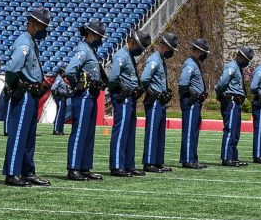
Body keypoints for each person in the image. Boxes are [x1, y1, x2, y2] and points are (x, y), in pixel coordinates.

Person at [2, 7, 52, 186]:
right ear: (34, 24)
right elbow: (12, 68)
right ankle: (13, 173)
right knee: (19, 134)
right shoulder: (24, 43)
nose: (45, 30)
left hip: (32, 94)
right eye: (43, 26)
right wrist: (14, 85)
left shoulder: (31, 42)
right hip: (24, 94)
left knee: (29, 136)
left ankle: (27, 171)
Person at [61, 19, 105, 181]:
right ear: (91, 35)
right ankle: (73, 168)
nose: (100, 39)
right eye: (99, 36)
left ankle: (85, 167)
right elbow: (70, 71)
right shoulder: (83, 50)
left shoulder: (91, 50)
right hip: (84, 94)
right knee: (80, 132)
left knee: (89, 132)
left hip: (92, 95)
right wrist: (78, 83)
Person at [105, 32, 144, 176]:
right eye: (139, 46)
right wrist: (121, 89)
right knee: (121, 130)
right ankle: (117, 165)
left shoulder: (129, 56)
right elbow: (114, 77)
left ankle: (128, 164)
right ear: (132, 42)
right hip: (123, 96)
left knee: (130, 132)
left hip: (130, 97)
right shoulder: (121, 55)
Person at [140, 31, 177, 172]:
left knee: (160, 132)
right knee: (153, 131)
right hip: (154, 100)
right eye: (170, 49)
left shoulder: (161, 60)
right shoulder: (154, 60)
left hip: (160, 100)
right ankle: (149, 162)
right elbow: (144, 79)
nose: (171, 52)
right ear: (164, 46)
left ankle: (157, 161)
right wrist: (154, 92)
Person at [178, 37, 209, 167]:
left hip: (196, 102)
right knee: (190, 130)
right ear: (199, 51)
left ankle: (192, 158)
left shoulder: (195, 63)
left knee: (194, 130)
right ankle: (188, 159)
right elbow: (183, 83)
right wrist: (192, 94)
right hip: (191, 101)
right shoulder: (190, 64)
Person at [216, 45, 249, 166]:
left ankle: (233, 156)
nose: (247, 62)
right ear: (240, 57)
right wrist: (220, 94)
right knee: (230, 129)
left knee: (235, 131)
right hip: (231, 101)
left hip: (237, 102)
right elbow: (222, 83)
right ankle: (227, 157)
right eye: (246, 59)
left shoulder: (238, 68)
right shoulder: (232, 67)